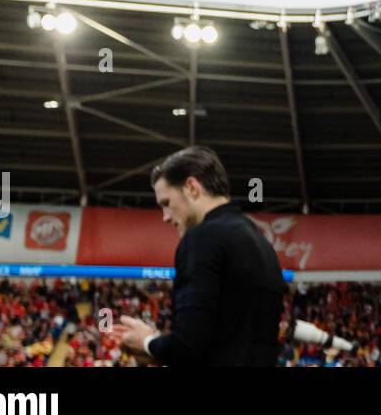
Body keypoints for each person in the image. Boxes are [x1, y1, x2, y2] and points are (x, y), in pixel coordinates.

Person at [114, 145, 287, 365]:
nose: (165, 217)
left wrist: (148, 342)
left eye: (166, 203)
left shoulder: (201, 238)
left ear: (192, 187)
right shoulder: (261, 241)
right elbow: (223, 344)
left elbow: (188, 346)